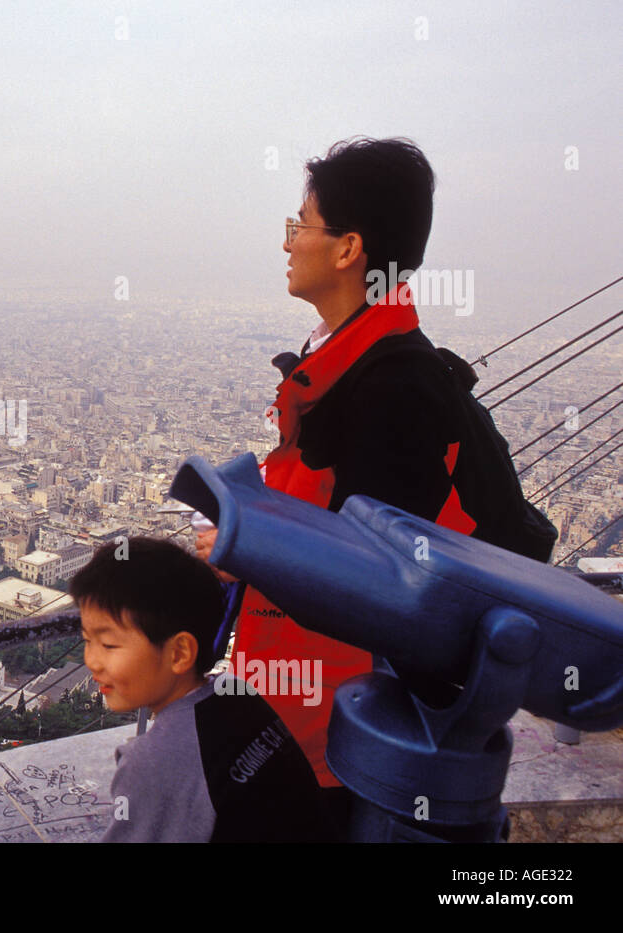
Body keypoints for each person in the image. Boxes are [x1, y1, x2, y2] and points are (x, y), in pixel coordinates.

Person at [195, 137, 474, 834]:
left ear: (349, 248)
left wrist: (246, 544)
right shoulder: (352, 366)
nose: (288, 243)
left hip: (327, 731)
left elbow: (378, 579)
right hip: (302, 713)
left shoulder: (390, 386)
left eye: (301, 225)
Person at [71, 536, 328, 843]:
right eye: (88, 641)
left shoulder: (151, 764)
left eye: (109, 644)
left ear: (179, 653)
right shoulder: (240, 695)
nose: (92, 661)